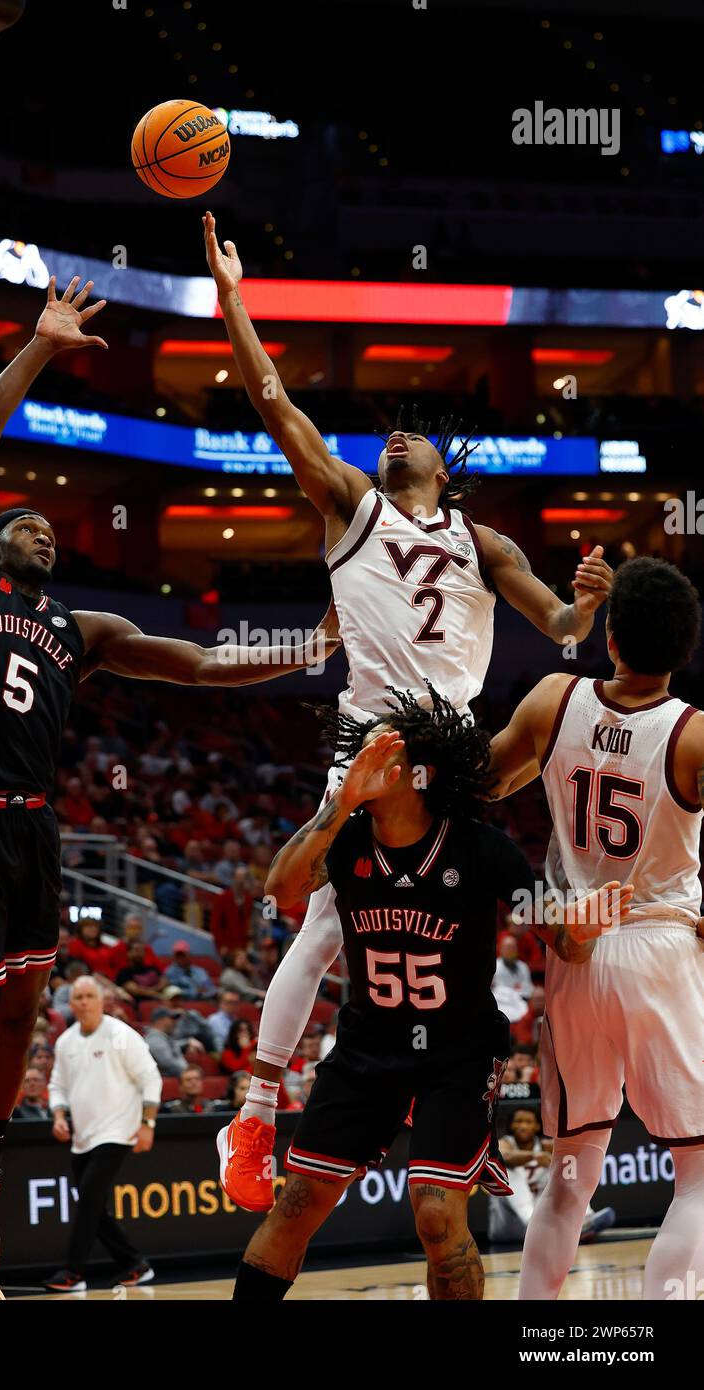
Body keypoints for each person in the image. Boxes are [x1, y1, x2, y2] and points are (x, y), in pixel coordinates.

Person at [0, 275, 340, 1300]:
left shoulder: (79, 632)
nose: (44, 536)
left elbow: (191, 662)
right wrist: (41, 346)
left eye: (55, 535)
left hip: (35, 836)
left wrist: (301, 646)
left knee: (20, 1012)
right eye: (30, 528)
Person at [203, 212, 614, 1200]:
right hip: (375, 735)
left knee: (477, 912)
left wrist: (590, 602)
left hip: (459, 748)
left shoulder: (483, 544)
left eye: (410, 431)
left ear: (441, 467)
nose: (391, 432)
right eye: (385, 431)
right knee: (323, 920)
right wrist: (232, 299)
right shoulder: (352, 503)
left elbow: (557, 623)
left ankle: (474, 1105)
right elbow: (273, 406)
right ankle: (255, 1116)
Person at [221, 689, 628, 1296]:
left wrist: (585, 927)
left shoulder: (482, 849)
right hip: (366, 1047)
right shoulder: (349, 838)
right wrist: (340, 803)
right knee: (299, 1202)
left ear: (420, 772)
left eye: (384, 749)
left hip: (458, 1055)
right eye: (364, 748)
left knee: (437, 1217)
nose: (366, 758)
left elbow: (563, 939)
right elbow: (280, 891)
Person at [489, 555, 704, 1301]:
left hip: (574, 946)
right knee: (700, 1178)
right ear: (687, 651)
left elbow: (478, 784)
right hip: (659, 946)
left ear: (609, 638)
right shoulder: (694, 735)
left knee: (571, 1175)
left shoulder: (553, 698)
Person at [45, 977, 161, 1292]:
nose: (83, 1002)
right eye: (78, 997)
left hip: (118, 1132)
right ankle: (134, 1265)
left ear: (102, 1000)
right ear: (70, 1004)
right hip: (83, 1136)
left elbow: (151, 1078)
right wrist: (58, 1114)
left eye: (89, 996)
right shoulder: (65, 1042)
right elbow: (57, 1085)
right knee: (91, 1204)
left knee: (89, 1201)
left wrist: (147, 1124)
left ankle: (73, 1273)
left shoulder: (121, 1035)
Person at [488, 1108, 615, 1245]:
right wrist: (534, 1156)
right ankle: (535, 1226)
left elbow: (574, 1156)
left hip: (543, 1226)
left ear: (537, 1126)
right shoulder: (505, 1143)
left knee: (561, 1169)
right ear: (511, 1125)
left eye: (528, 1122)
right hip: (509, 1226)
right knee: (511, 1172)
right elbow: (504, 1156)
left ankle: (584, 1219)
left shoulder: (545, 1146)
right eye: (519, 1122)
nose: (523, 1126)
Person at [207, 989, 245, 1053]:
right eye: (229, 1002)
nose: (233, 1006)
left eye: (236, 1003)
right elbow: (225, 1039)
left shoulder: (237, 1020)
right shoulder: (214, 1019)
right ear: (221, 1003)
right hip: (223, 1052)